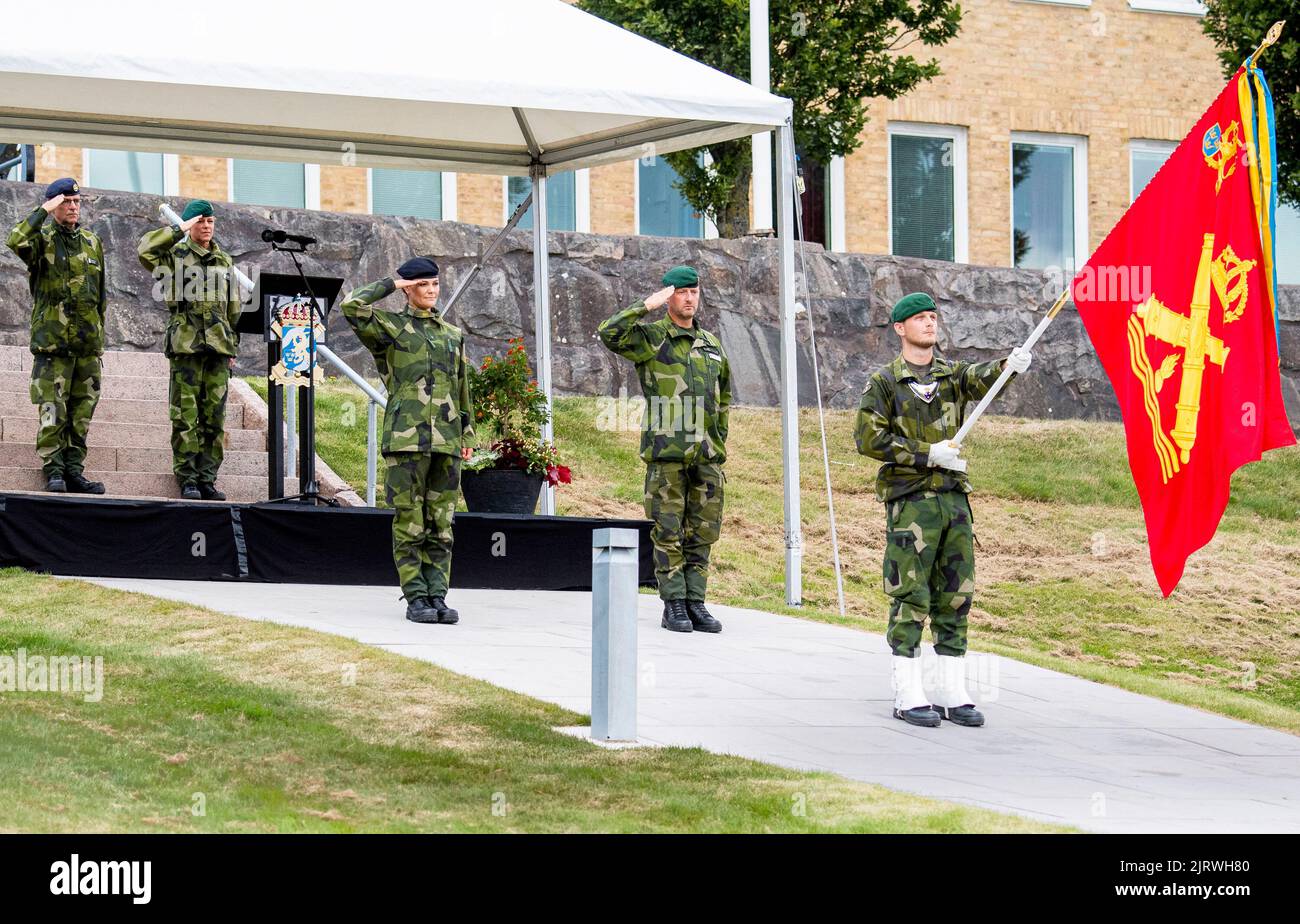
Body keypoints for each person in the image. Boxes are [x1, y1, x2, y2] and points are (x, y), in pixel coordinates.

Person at [855, 292, 1032, 728]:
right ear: (900, 328)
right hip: (912, 501)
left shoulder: (951, 376)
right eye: (919, 318)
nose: (930, 324)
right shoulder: (885, 383)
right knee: (910, 594)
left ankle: (952, 688)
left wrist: (1009, 366)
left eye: (933, 317)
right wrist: (925, 453)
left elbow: (984, 379)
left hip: (953, 500)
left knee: (956, 594)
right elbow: (868, 439)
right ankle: (908, 690)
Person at [339, 257, 473, 625]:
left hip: (446, 440)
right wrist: (394, 284)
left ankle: (438, 596)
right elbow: (352, 304)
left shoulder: (451, 334)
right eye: (423, 284)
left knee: (442, 523)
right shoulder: (390, 328)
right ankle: (416, 597)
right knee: (410, 519)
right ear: (409, 289)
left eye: (434, 284)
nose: (431, 290)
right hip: (406, 439)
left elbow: (462, 388)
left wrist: (468, 433)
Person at [597, 265, 730, 634]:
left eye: (694, 291)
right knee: (668, 529)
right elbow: (609, 333)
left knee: (703, 533)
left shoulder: (711, 345)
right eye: (682, 292)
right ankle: (673, 604)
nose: (689, 298)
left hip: (706, 457)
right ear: (669, 296)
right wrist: (645, 306)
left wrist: (718, 445)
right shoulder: (652, 337)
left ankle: (696, 602)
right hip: (667, 453)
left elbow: (724, 401)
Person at [5, 177, 106, 494]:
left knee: (81, 416)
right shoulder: (41, 240)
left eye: (76, 202)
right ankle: (54, 472)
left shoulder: (92, 243)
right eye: (66, 202)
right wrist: (43, 211)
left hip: (87, 349)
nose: (73, 207)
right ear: (53, 206)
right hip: (53, 346)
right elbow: (14, 239)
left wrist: (98, 338)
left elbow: (100, 296)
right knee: (52, 412)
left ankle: (75, 471)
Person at [137, 200, 241, 500]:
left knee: (214, 419)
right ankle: (188, 478)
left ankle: (207, 479)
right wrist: (178, 228)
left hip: (219, 348)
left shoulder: (223, 259)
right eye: (199, 221)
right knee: (186, 415)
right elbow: (145, 249)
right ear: (189, 225)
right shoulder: (174, 256)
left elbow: (233, 307)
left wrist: (232, 345)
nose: (206, 226)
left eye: (210, 220)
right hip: (186, 345)